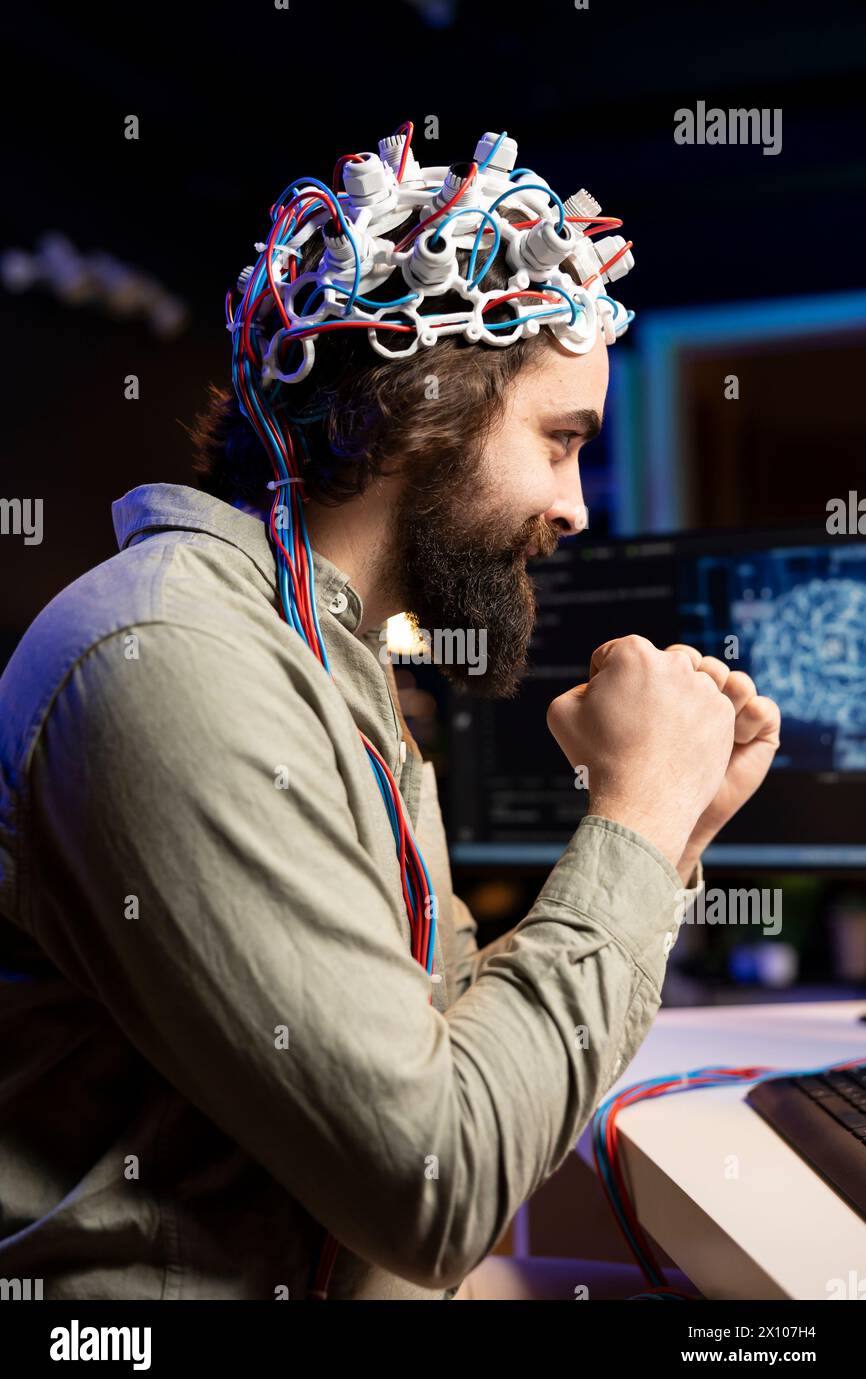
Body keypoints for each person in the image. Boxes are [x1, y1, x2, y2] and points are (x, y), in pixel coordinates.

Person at [0, 131, 780, 1299]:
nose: (575, 508)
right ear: (422, 414)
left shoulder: (325, 663)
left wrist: (672, 831)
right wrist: (632, 812)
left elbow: (458, 1048)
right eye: (559, 442)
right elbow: (441, 1179)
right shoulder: (172, 662)